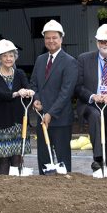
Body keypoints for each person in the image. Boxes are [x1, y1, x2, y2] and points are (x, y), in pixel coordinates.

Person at [75, 23, 107, 172]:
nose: (106, 44)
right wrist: (92, 96)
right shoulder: (84, 59)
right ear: (97, 42)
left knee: (105, 136)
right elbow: (77, 87)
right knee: (96, 116)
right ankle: (98, 160)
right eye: (103, 41)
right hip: (89, 105)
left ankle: (103, 168)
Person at [29, 19, 77, 173]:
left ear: (61, 39)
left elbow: (66, 93)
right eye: (47, 38)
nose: (51, 41)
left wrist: (50, 113)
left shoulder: (70, 62)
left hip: (60, 118)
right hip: (42, 117)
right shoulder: (40, 59)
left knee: (62, 160)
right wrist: (36, 99)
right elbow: (33, 84)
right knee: (44, 158)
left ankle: (64, 191)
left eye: (54, 37)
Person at [0, 39, 34, 174]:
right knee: (3, 160)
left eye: (11, 56)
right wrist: (16, 93)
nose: (8, 59)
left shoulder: (20, 73)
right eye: (5, 56)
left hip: (18, 123)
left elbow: (27, 86)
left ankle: (16, 191)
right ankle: (3, 190)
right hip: (0, 125)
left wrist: (29, 92)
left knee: (17, 160)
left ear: (15, 57)